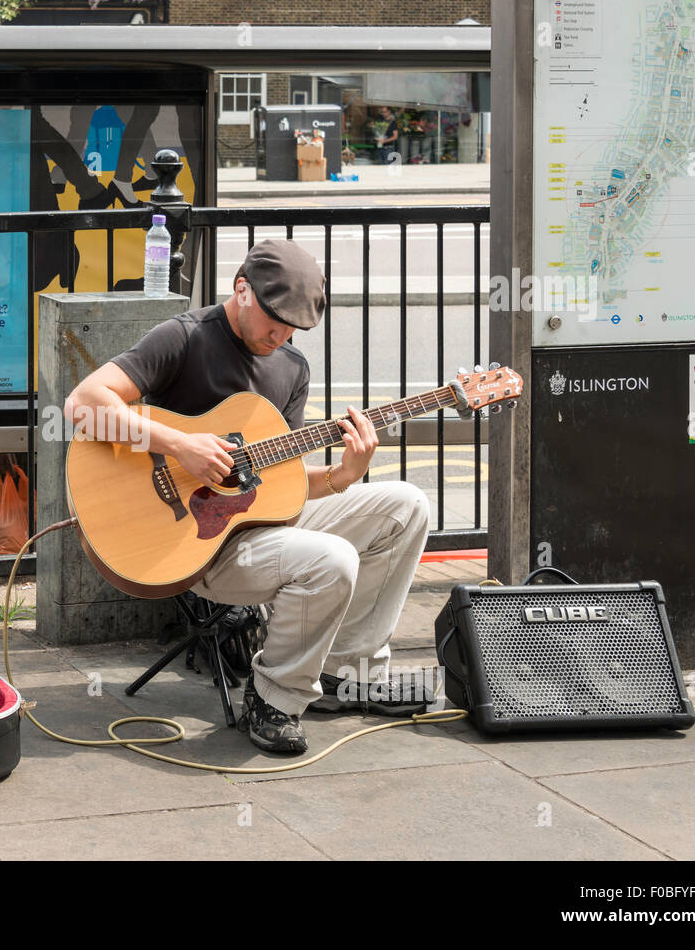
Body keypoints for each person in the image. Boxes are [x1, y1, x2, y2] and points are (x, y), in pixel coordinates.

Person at [63, 239, 433, 754]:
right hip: (201, 546)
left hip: (260, 527)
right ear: (241, 289)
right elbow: (83, 404)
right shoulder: (184, 338)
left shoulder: (291, 369)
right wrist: (180, 445)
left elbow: (280, 486)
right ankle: (275, 698)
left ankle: (350, 671)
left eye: (293, 329)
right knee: (334, 559)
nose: (280, 336)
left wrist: (344, 477)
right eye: (273, 320)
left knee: (408, 505)